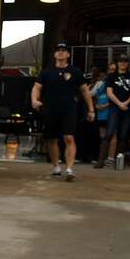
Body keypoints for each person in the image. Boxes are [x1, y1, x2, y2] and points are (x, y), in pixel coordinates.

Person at [31, 42, 95, 181]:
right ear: (54, 54)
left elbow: (85, 91)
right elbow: (36, 87)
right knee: (51, 139)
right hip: (50, 109)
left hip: (69, 109)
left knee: (69, 138)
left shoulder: (75, 71)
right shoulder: (46, 71)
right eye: (58, 50)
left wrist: (91, 109)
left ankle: (70, 169)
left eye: (63, 50)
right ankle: (56, 166)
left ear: (68, 54)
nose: (60, 52)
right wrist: (34, 100)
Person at [104, 54, 130, 169]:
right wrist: (119, 104)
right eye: (121, 61)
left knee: (123, 134)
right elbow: (109, 92)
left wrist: (126, 103)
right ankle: (101, 160)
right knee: (109, 132)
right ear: (117, 63)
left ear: (128, 63)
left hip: (128, 108)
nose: (123, 63)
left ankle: (119, 163)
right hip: (114, 107)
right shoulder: (111, 76)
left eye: (125, 61)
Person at [89, 64, 112, 168]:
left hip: (109, 112)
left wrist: (105, 105)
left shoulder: (105, 82)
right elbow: (92, 94)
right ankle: (102, 158)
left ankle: (108, 158)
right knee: (103, 136)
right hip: (100, 113)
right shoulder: (99, 83)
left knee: (109, 135)